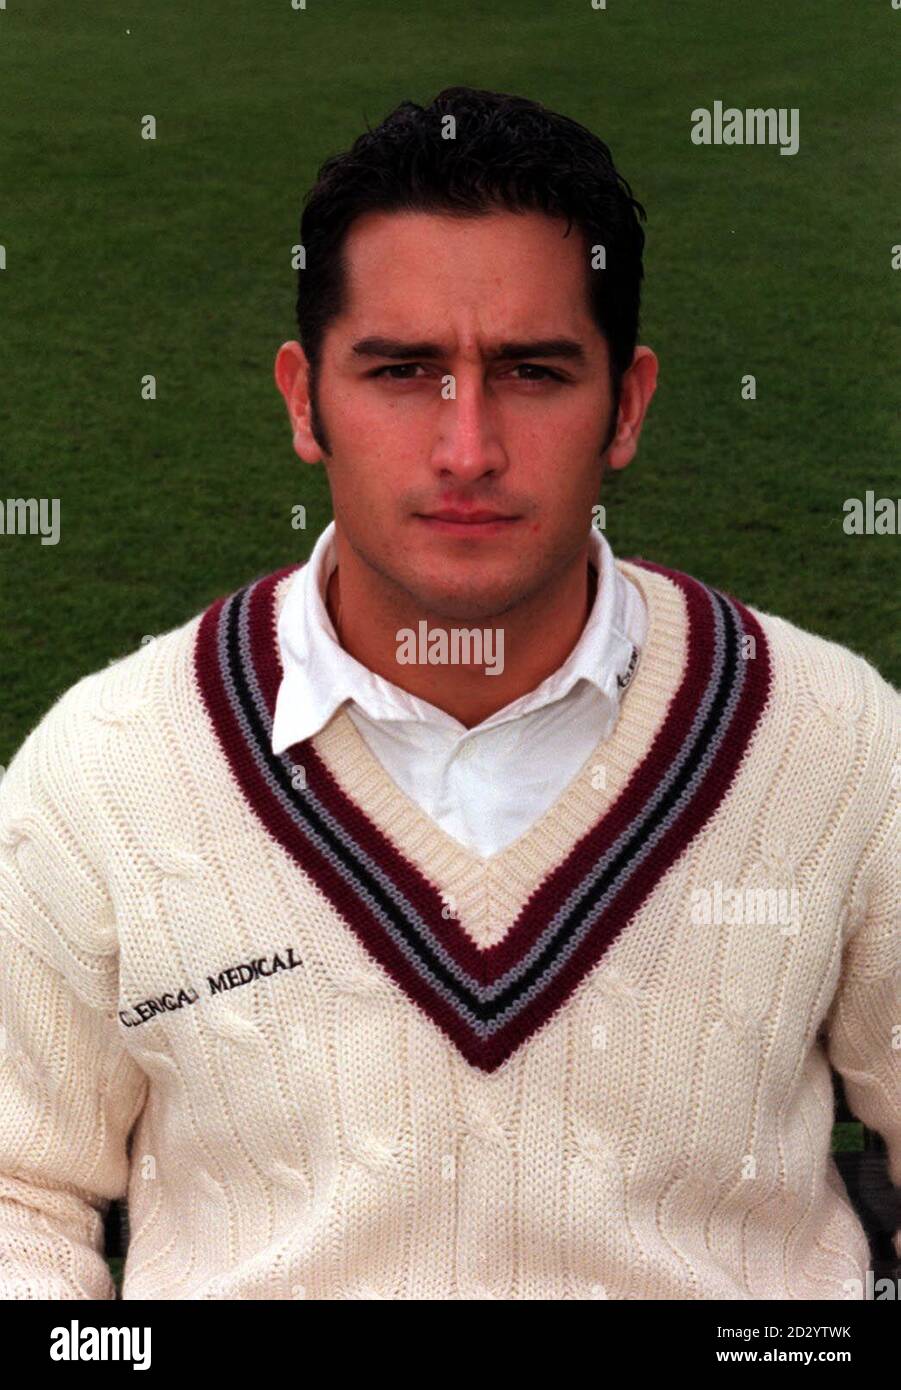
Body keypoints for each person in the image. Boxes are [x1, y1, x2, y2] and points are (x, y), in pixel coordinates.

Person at [0, 87, 897, 1301]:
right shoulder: (103, 770)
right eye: (401, 369)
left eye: (531, 371)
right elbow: (18, 1193)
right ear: (302, 399)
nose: (465, 446)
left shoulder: (836, 742)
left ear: (625, 404)